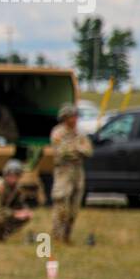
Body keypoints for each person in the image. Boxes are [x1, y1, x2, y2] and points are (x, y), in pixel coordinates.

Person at [50, 104, 92, 244]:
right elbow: (63, 152)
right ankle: (57, 236)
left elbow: (88, 150)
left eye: (76, 116)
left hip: (78, 172)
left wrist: (77, 149)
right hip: (64, 171)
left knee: (74, 207)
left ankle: (67, 236)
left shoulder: (80, 133)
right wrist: (78, 149)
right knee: (61, 204)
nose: (75, 119)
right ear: (65, 118)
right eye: (72, 116)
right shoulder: (58, 133)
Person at [0, 160, 33, 241]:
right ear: (6, 174)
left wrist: (25, 211)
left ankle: (4, 233)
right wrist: (14, 213)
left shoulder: (16, 188)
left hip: (1, 211)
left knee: (24, 216)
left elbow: (19, 204)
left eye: (17, 175)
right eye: (11, 175)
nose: (14, 179)